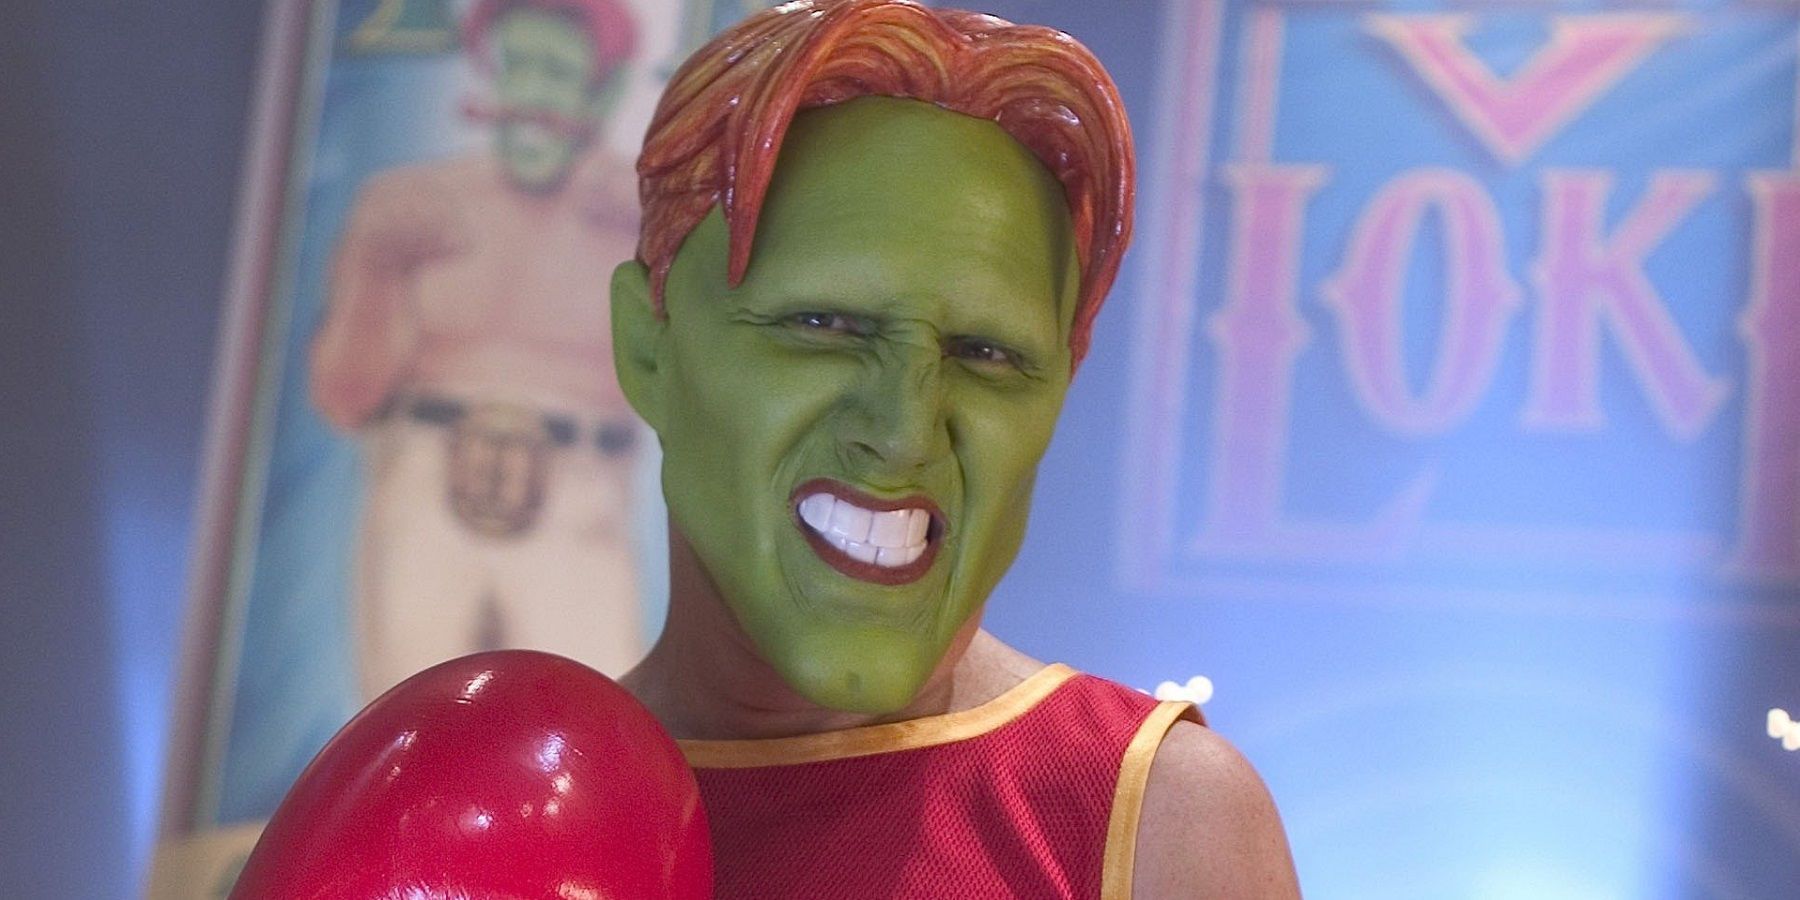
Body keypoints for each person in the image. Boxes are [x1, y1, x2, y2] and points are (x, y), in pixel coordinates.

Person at [610, 1, 1303, 896]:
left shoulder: (1150, 817)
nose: (904, 432)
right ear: (648, 349)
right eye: (822, 325)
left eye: (987, 354)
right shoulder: (492, 796)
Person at [309, 0, 647, 699]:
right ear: (487, 79)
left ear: (603, 92)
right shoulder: (408, 206)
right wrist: (378, 271)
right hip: (423, 492)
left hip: (580, 502)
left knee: (591, 736)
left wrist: (669, 256)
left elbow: (692, 410)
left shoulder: (638, 223)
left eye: (557, 72)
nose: (532, 94)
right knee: (407, 735)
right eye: (517, 66)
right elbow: (343, 400)